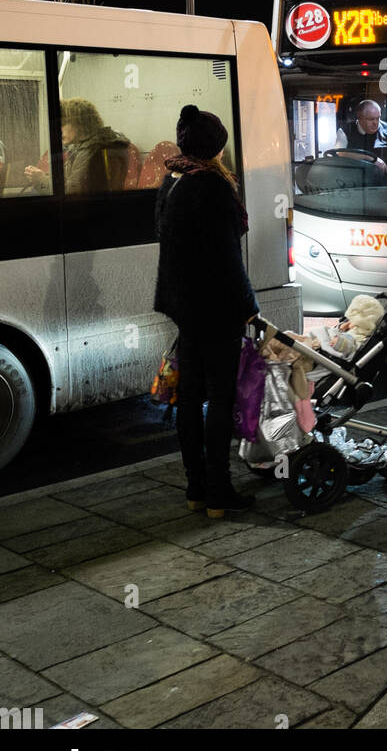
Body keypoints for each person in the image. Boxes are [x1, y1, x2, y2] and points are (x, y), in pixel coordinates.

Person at [153, 104, 259, 518]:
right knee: (219, 397)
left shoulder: (172, 180)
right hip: (217, 308)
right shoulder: (213, 186)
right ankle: (219, 491)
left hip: (184, 306)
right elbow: (228, 257)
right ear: (216, 147)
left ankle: (196, 487)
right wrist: (248, 307)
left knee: (188, 397)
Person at [25, 99, 129, 195]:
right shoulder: (95, 145)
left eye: (63, 124)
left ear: (80, 123)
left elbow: (71, 193)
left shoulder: (91, 150)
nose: (58, 130)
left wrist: (41, 179)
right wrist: (43, 177)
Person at [334, 100, 387, 178]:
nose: (375, 123)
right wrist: (371, 158)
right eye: (371, 119)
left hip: (384, 185)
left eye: (378, 118)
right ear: (359, 117)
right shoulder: (345, 131)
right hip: (355, 183)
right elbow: (338, 153)